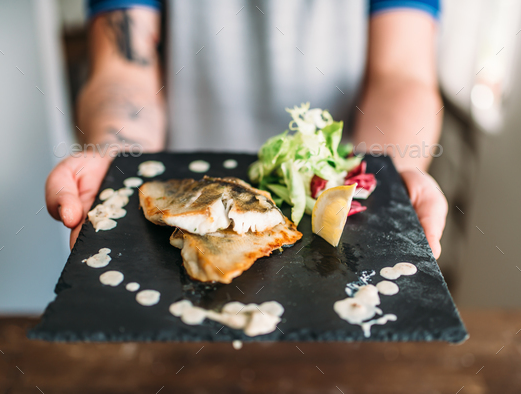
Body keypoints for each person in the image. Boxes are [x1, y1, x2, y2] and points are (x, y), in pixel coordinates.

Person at [45, 0, 447, 258]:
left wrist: (383, 176)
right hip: (180, 202)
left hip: (330, 209)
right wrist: (118, 157)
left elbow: (401, 74)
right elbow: (124, 65)